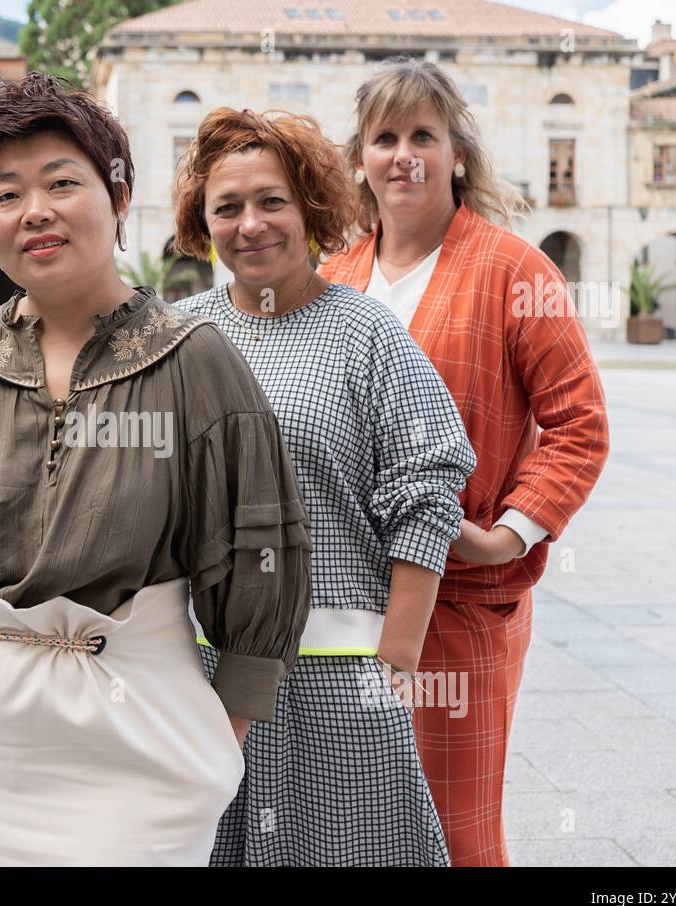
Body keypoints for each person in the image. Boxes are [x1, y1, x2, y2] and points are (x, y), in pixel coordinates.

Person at [0, 73, 311, 866]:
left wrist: (219, 747)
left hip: (140, 748)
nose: (34, 210)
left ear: (118, 195)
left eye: (62, 182)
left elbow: (258, 557)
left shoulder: (194, 361)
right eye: (6, 194)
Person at [317, 59, 610, 865]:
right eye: (385, 137)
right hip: (340, 605)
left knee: (454, 832)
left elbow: (579, 423)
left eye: (423, 135)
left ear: (457, 155)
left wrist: (509, 533)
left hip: (457, 607)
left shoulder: (515, 271)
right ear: (362, 159)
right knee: (347, 826)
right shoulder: (332, 279)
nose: (403, 154)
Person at [172, 107, 475, 866]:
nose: (251, 224)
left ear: (309, 205)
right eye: (228, 207)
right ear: (202, 223)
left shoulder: (367, 333)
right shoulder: (177, 338)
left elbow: (427, 490)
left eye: (272, 200)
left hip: (340, 679)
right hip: (199, 678)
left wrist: (396, 665)